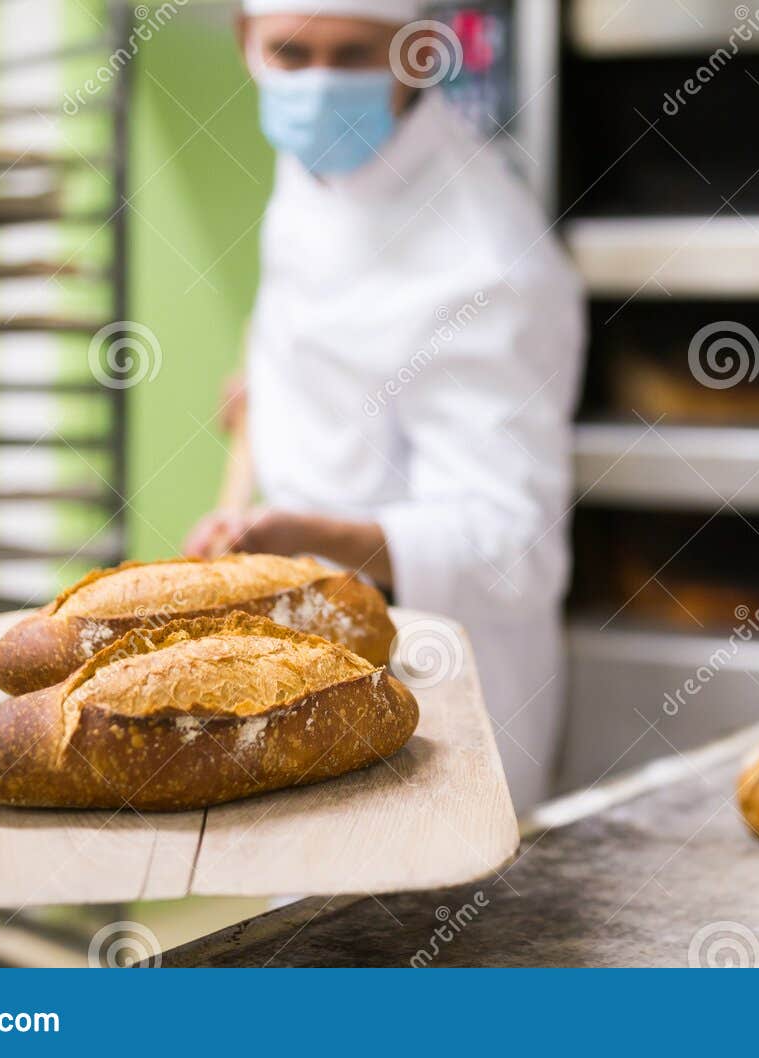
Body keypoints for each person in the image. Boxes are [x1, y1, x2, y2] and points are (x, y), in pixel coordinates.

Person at [184, 0, 586, 810]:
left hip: (447, 689)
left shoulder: (489, 261)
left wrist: (299, 533)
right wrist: (279, 385)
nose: (320, 83)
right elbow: (335, 321)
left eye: (355, 54)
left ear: (419, 54)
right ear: (245, 44)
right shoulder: (318, 165)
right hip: (314, 657)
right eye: (293, 54)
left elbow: (514, 547)